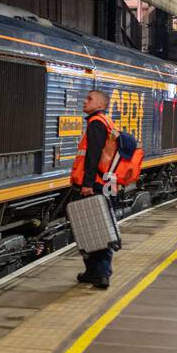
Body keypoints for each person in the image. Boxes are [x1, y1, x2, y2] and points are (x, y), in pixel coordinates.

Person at [69, 89, 118, 289]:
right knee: (92, 228)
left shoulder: (96, 123)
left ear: (99, 104)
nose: (85, 101)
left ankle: (102, 273)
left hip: (96, 184)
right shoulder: (105, 121)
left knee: (96, 229)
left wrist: (88, 184)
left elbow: (93, 156)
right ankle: (93, 272)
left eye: (89, 99)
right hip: (105, 182)